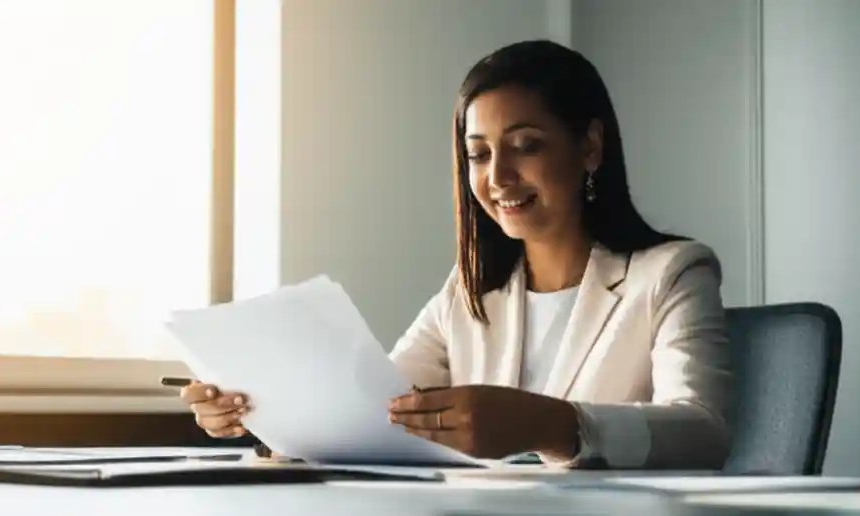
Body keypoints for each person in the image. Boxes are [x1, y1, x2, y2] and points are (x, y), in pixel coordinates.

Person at [182, 39, 730, 469]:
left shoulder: (673, 272)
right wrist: (258, 409)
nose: (498, 178)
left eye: (526, 146)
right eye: (479, 154)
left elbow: (703, 430)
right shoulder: (470, 291)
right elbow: (375, 413)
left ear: (589, 146)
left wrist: (552, 424)